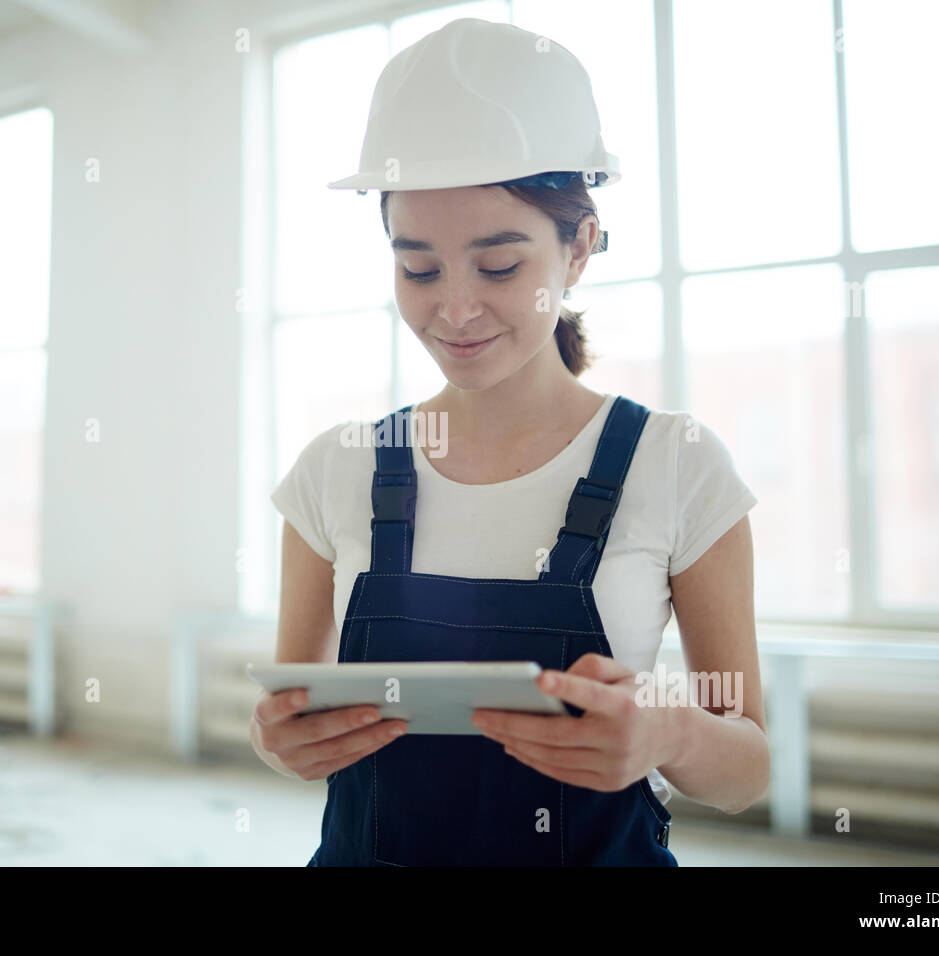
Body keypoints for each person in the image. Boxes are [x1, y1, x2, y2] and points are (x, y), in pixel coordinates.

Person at [250, 17, 768, 866]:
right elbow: (290, 725)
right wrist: (278, 743)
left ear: (580, 248)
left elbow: (746, 773)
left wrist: (670, 731)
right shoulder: (335, 470)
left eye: (499, 267)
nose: (454, 309)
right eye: (418, 268)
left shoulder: (677, 464)